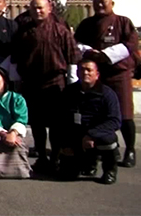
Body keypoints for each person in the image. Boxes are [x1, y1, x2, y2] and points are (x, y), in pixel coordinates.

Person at [12, 0, 80, 173]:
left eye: (41, 8)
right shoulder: (24, 31)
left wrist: (72, 83)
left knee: (57, 124)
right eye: (34, 8)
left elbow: (72, 57)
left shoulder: (61, 30)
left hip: (56, 83)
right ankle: (41, 156)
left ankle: (55, 157)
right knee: (37, 123)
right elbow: (16, 57)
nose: (37, 11)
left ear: (50, 8)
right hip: (32, 82)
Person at [74, 0, 140, 168]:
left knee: (125, 114)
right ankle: (108, 147)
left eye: (103, 2)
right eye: (96, 3)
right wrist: (89, 52)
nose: (100, 6)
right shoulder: (87, 24)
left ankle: (130, 150)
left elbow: (131, 44)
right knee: (97, 113)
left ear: (112, 3)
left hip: (118, 74)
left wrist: (107, 55)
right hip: (95, 75)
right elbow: (77, 43)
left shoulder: (123, 22)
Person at [56, 54, 122, 184]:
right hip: (76, 134)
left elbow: (115, 120)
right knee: (67, 176)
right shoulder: (69, 92)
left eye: (89, 70)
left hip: (98, 135)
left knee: (108, 140)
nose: (85, 72)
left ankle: (109, 170)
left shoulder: (107, 94)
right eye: (82, 69)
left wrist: (92, 135)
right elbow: (60, 119)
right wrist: (65, 144)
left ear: (97, 74)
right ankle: (86, 164)